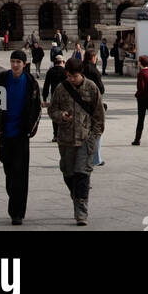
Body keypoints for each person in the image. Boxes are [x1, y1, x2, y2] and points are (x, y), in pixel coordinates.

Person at [0, 49, 42, 225]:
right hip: (5, 134)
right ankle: (14, 198)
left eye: (18, 62)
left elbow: (37, 108)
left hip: (21, 134)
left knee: (21, 173)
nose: (15, 65)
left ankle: (17, 213)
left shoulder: (31, 83)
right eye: (13, 61)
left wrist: (31, 128)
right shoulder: (1, 80)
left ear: (24, 65)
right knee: (9, 171)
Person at [49, 58, 105, 225]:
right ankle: (77, 195)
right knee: (68, 173)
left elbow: (99, 116)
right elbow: (52, 109)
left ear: (81, 73)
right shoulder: (61, 88)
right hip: (65, 139)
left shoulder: (92, 88)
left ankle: (81, 212)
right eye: (68, 76)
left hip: (85, 139)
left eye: (74, 76)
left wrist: (94, 138)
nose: (71, 79)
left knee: (82, 174)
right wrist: (61, 116)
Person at [82, 50, 106, 166]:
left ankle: (84, 156)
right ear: (92, 57)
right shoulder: (94, 70)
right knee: (97, 130)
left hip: (82, 102)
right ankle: (96, 158)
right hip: (94, 104)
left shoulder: (81, 68)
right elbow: (101, 89)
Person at [42, 55, 68, 141]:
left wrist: (45, 98)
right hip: (65, 96)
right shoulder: (65, 71)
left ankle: (55, 135)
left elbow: (46, 85)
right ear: (62, 62)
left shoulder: (50, 71)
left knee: (55, 115)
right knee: (64, 114)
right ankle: (63, 134)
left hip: (54, 95)